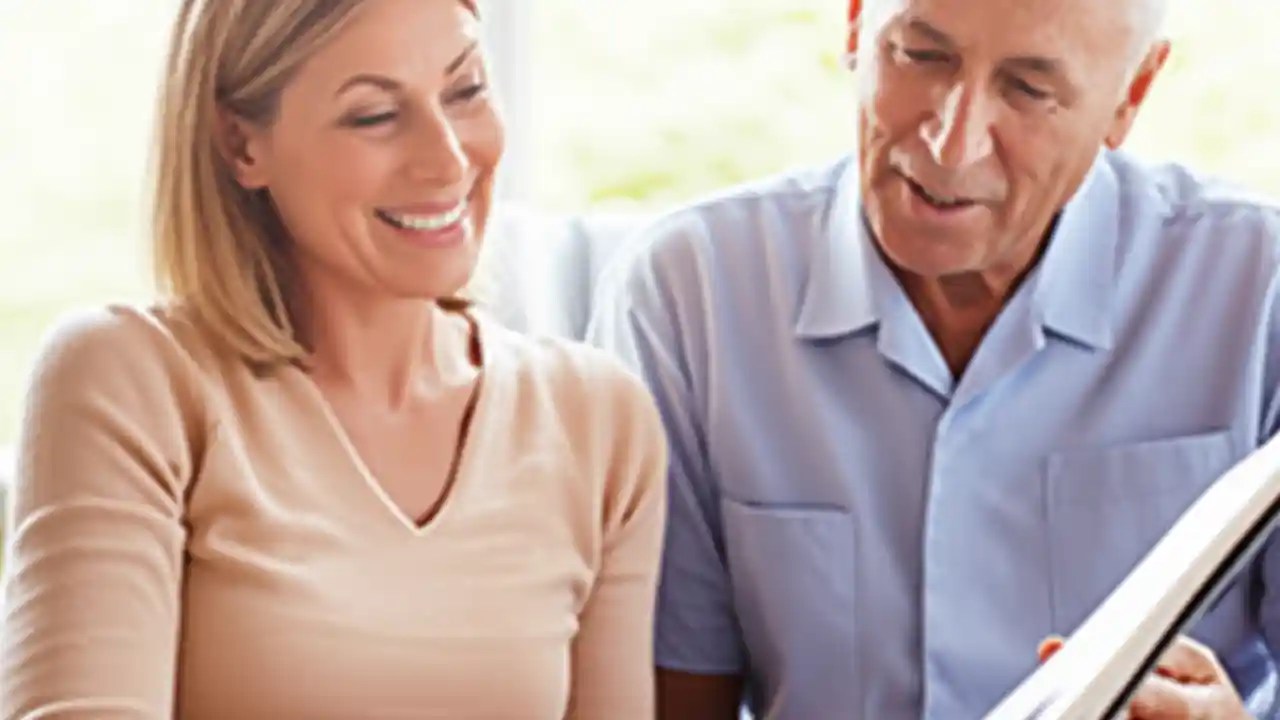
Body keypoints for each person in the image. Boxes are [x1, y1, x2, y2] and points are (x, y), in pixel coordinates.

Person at [588, 0, 1280, 717]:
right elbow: (665, 699)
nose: (952, 145)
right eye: (921, 56)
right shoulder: (689, 293)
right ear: (856, 24)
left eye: (1029, 91)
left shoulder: (1258, 289)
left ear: (1130, 95)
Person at [0, 1, 667, 718]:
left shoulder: (596, 417)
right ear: (240, 145)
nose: (446, 158)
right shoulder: (132, 379)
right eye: (374, 116)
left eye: (465, 90)